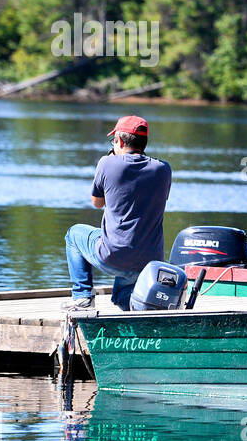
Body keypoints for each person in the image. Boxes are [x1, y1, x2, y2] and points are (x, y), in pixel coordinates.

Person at [63, 115, 173, 312]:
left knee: (73, 234)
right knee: (123, 300)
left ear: (120, 141)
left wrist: (112, 163)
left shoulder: (107, 163)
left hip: (113, 256)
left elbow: (97, 203)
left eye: (114, 141)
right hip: (149, 262)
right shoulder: (164, 169)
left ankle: (82, 296)